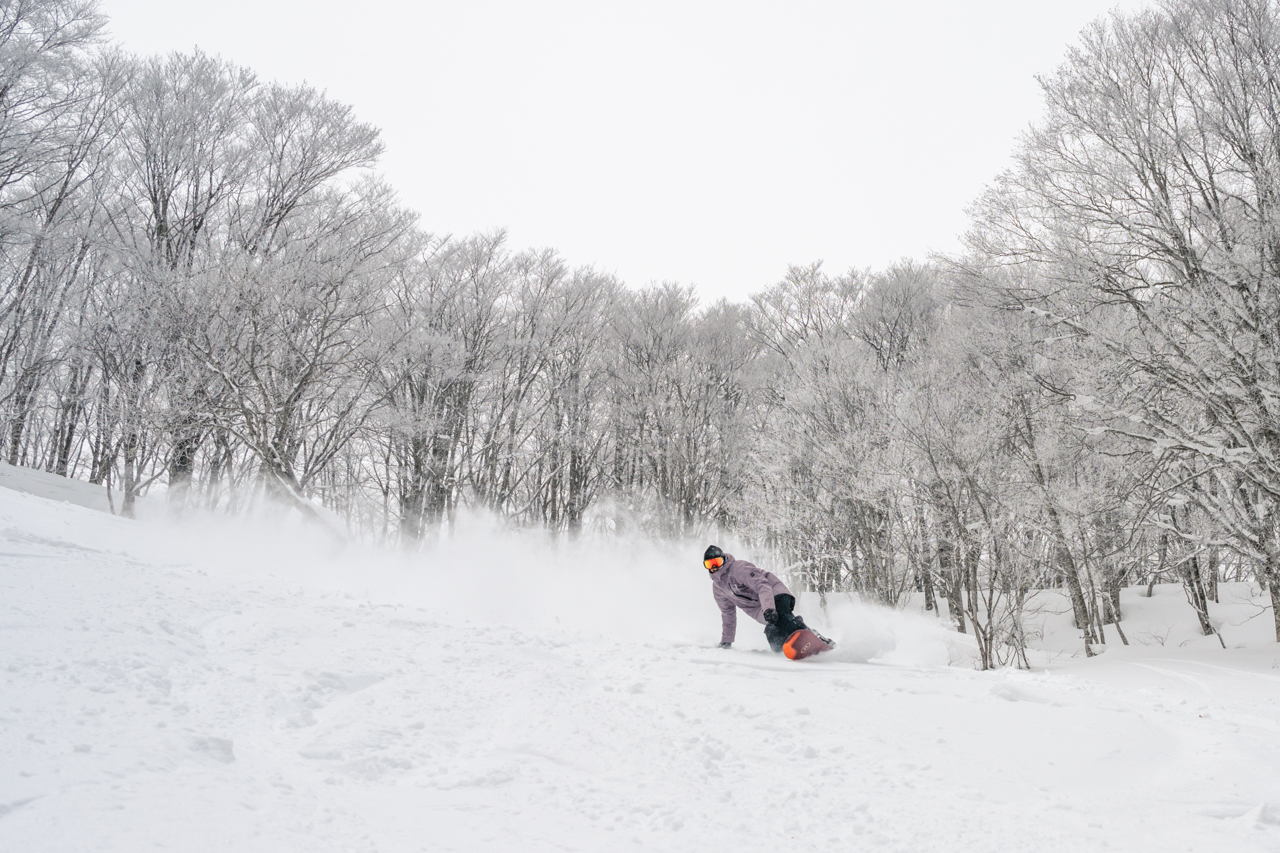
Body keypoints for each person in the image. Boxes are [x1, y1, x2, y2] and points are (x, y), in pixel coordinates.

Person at [703, 544, 828, 652]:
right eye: (709, 564)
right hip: (762, 611)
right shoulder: (718, 589)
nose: (714, 566)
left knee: (782, 619)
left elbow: (762, 585)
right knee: (772, 634)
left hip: (775, 593)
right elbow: (727, 614)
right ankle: (789, 651)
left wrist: (768, 608)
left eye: (717, 562)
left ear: (724, 560)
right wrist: (726, 641)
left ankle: (816, 639)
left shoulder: (738, 568)